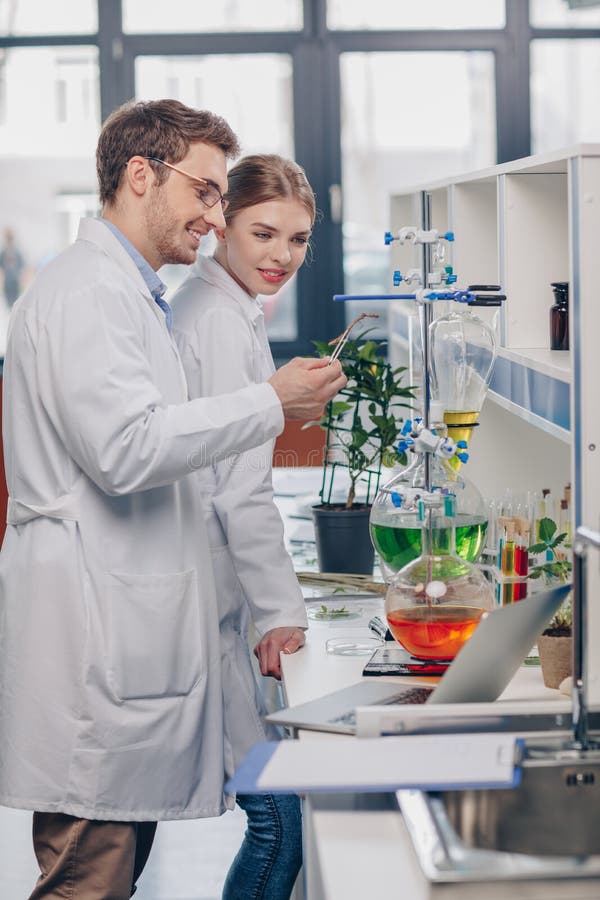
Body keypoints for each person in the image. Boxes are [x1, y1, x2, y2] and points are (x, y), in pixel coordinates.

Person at [0, 99, 346, 900]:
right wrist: (271, 402)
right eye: (207, 192)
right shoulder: (91, 294)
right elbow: (127, 451)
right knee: (88, 876)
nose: (214, 217)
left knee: (109, 865)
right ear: (139, 175)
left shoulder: (129, 294)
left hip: (125, 635)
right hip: (95, 643)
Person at [171, 154, 316, 899]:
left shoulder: (219, 304)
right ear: (222, 221)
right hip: (213, 588)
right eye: (265, 233)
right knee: (279, 819)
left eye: (297, 241)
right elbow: (241, 491)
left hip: (211, 581)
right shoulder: (218, 319)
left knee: (274, 815)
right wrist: (281, 613)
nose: (281, 257)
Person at [0, 227, 25, 305]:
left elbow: (22, 265)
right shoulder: (3, 252)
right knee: (8, 302)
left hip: (15, 280)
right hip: (7, 281)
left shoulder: (17, 252)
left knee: (16, 302)